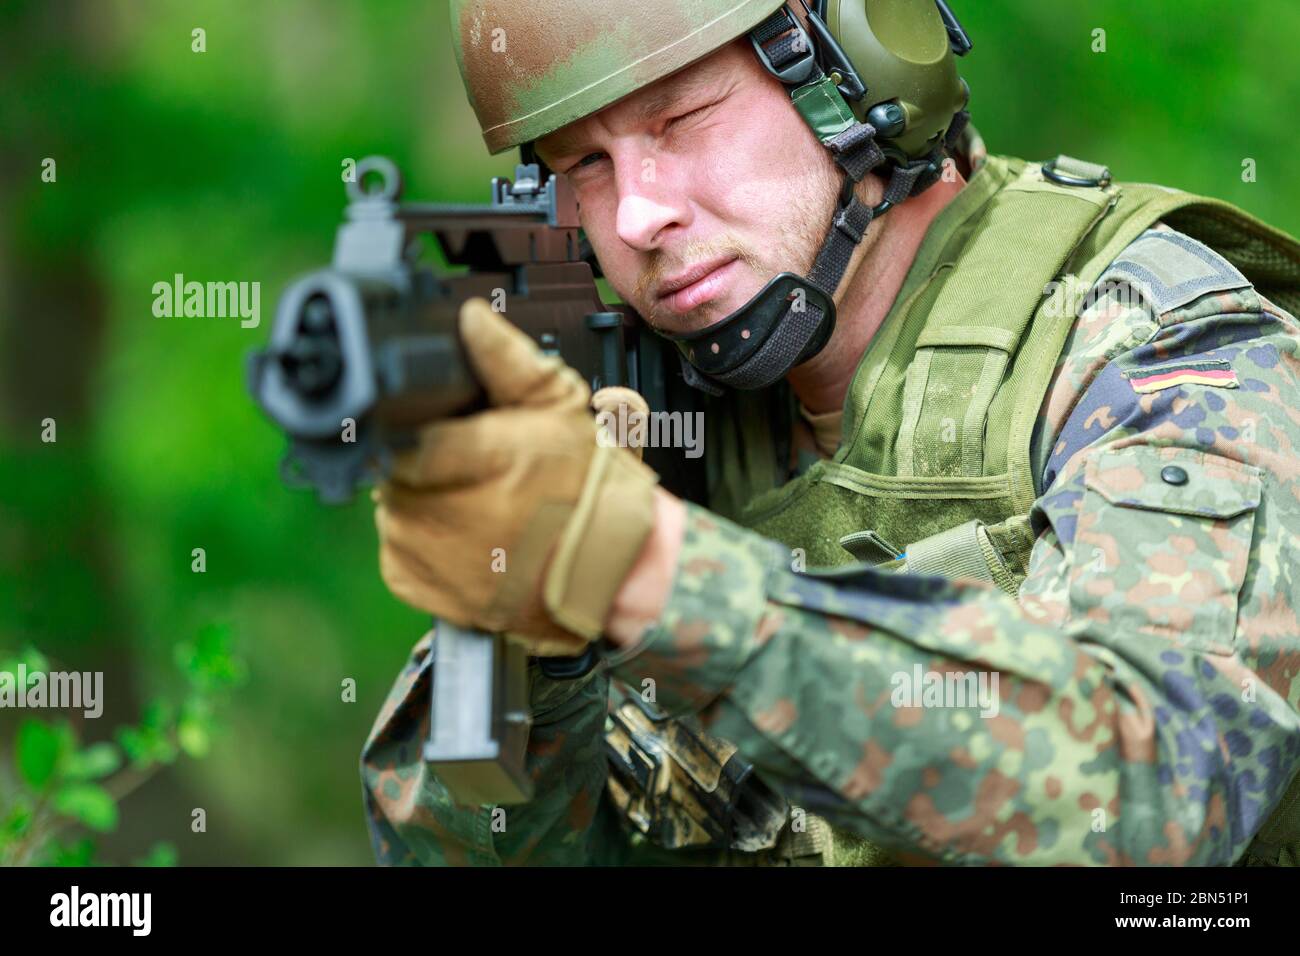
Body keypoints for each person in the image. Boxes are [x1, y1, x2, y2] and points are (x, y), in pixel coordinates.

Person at [360, 0, 1300, 865]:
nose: (640, 215)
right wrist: (533, 642)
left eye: (682, 121)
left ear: (856, 61)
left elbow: (1152, 798)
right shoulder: (641, 414)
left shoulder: (1150, 340)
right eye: (584, 165)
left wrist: (643, 572)